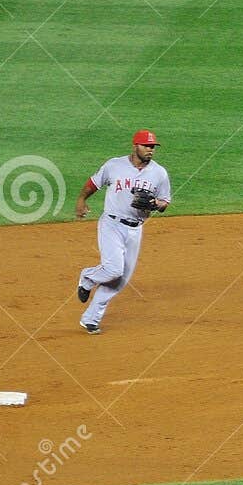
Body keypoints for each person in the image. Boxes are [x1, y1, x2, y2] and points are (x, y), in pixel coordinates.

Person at [73, 129, 171, 334]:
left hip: (136, 230)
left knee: (120, 281)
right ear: (135, 145)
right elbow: (93, 184)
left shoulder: (159, 173)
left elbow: (164, 202)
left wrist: (155, 203)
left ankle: (91, 319)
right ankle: (88, 278)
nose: (150, 150)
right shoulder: (114, 165)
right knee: (114, 270)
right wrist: (82, 200)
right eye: (146, 146)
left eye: (153, 147)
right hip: (111, 224)